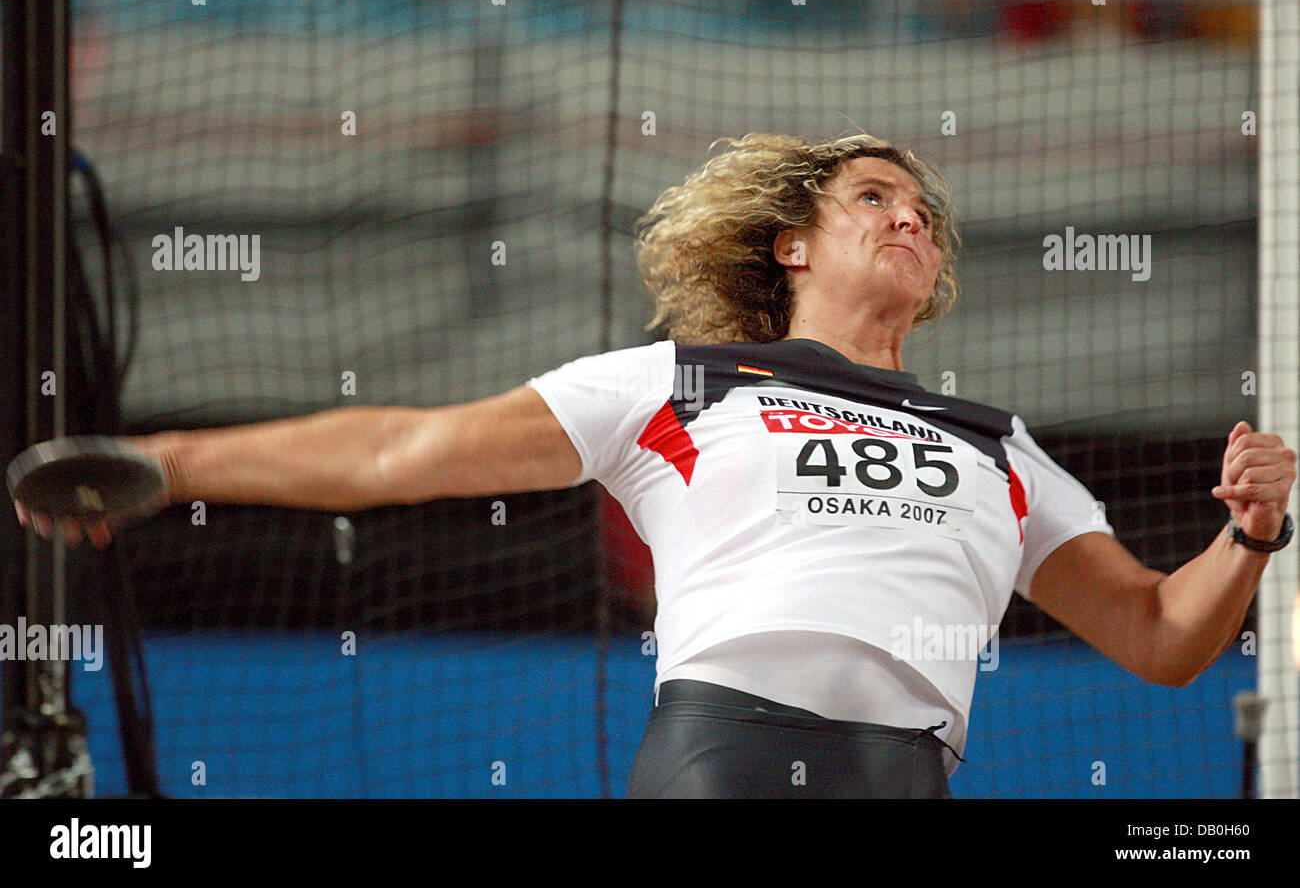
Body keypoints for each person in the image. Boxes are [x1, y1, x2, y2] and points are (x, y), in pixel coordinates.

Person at [14, 133, 1296, 798]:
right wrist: (168, 460)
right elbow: (399, 446)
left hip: (907, 772)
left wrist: (1245, 534)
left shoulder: (998, 445)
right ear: (790, 244)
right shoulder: (678, 380)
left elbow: (1156, 633)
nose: (911, 215)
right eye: (872, 196)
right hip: (727, 747)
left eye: (923, 209)